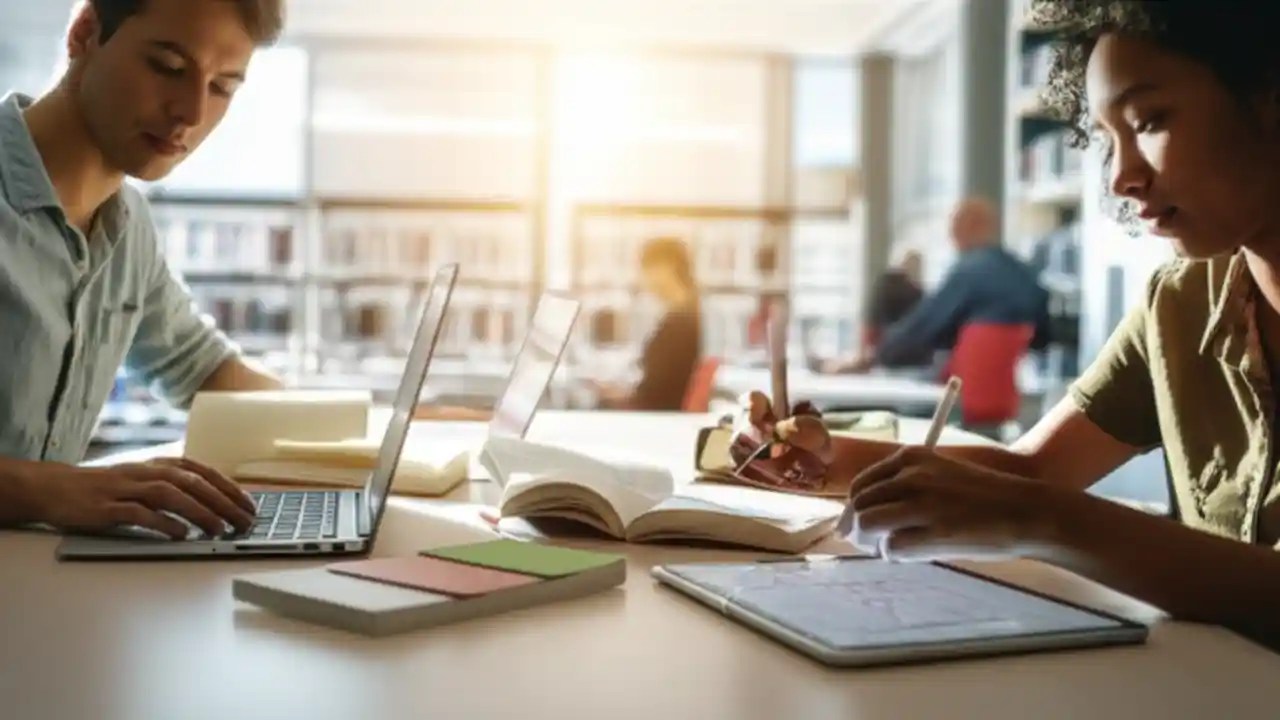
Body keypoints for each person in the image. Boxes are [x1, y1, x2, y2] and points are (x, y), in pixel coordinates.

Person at [815, 0, 1280, 650]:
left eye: (1148, 121)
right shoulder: (1179, 305)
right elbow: (1034, 470)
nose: (1122, 177)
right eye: (1105, 138)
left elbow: (1033, 499)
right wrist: (815, 457)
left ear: (1267, 92)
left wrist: (1045, 523)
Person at [0, 0, 288, 541]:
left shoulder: (128, 227)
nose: (192, 113)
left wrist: (381, 434)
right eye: (169, 68)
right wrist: (52, 489)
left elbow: (203, 370)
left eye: (222, 87)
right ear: (86, 33)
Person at [827, 197, 1051, 375]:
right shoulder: (1024, 273)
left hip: (959, 394)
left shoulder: (968, 271)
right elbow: (1042, 337)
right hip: (1004, 395)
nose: (951, 238)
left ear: (970, 226)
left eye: (954, 229)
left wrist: (874, 356)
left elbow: (924, 326)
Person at [595, 237, 703, 411]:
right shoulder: (685, 314)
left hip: (656, 414)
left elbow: (656, 394)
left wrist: (614, 394)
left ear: (665, 268)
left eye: (645, 270)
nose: (642, 278)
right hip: (656, 407)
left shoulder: (679, 325)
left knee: (595, 404)